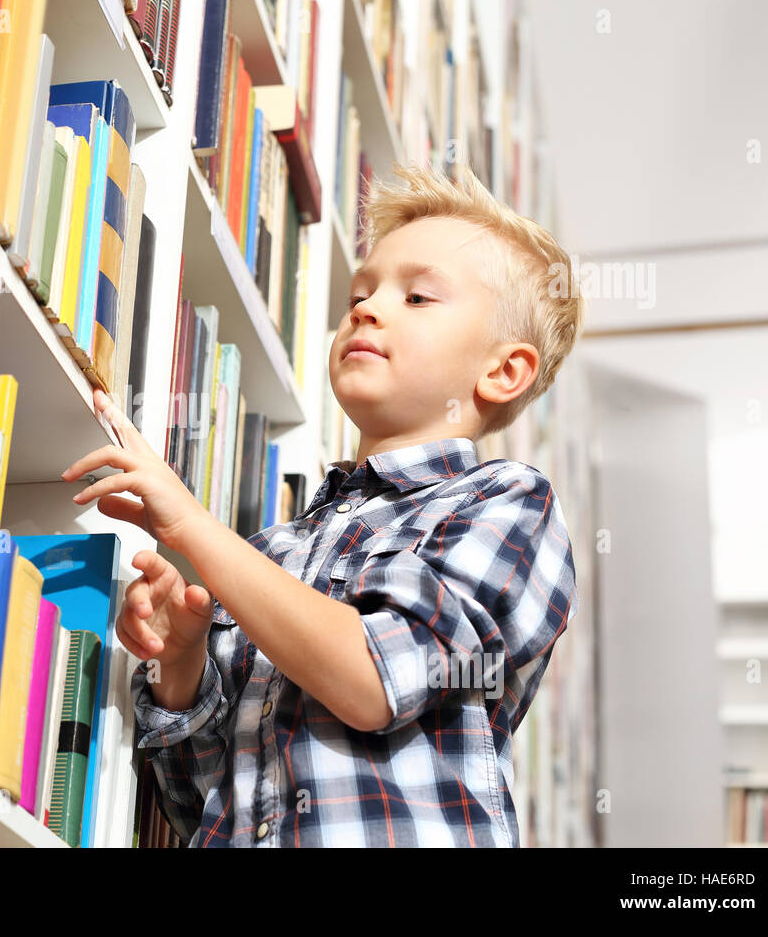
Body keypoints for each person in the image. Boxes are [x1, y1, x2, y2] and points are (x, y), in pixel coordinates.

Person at [60, 162, 583, 846]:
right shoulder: (270, 554)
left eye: (418, 297)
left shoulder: (509, 505)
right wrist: (182, 664)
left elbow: (373, 681)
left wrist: (193, 529)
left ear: (503, 370)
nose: (366, 308)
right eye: (359, 295)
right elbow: (194, 803)